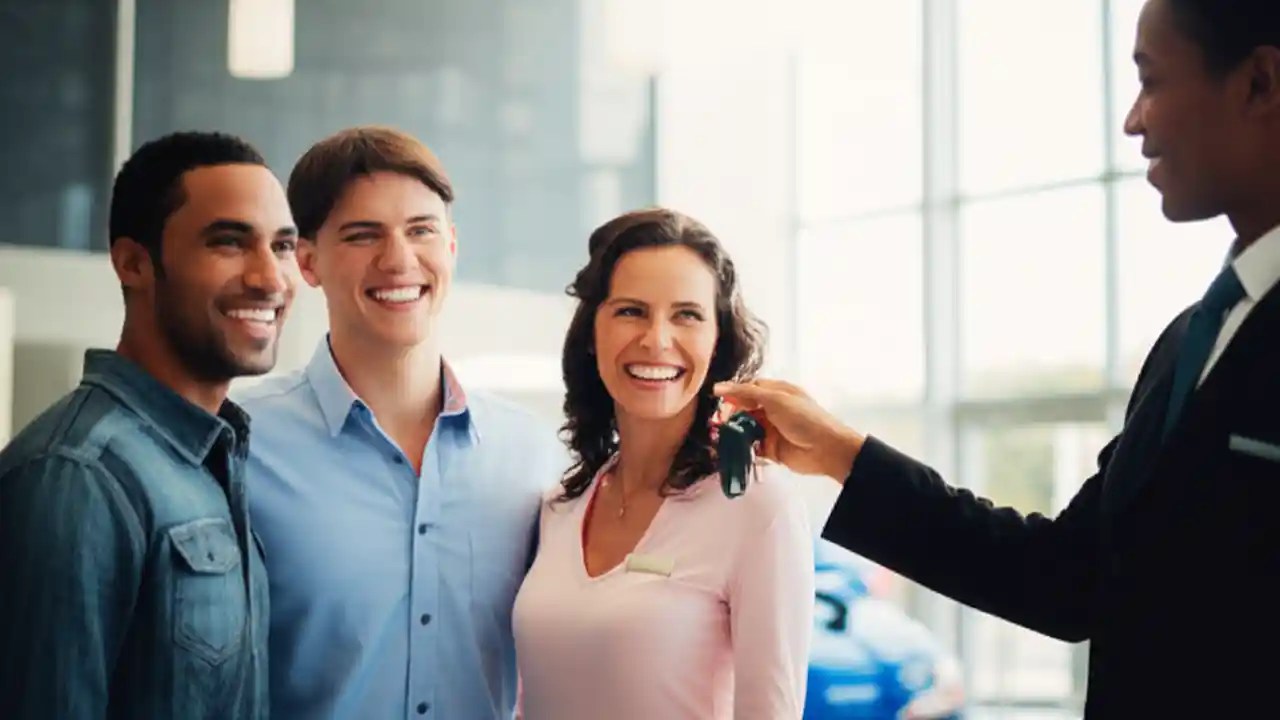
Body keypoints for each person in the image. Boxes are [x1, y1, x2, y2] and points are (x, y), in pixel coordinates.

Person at [713, 0, 1280, 717]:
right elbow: (1067, 577)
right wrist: (839, 452)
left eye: (1152, 81)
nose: (1135, 121)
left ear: (1259, 83)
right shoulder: (1190, 341)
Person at [234, 126, 565, 720]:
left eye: (421, 231)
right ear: (307, 262)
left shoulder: (533, 458)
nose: (398, 260)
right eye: (364, 236)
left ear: (453, 246)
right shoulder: (240, 446)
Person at [0, 131, 296, 719]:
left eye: (282, 246)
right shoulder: (76, 477)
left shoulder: (213, 458)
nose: (270, 278)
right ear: (134, 262)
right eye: (230, 243)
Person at [512, 208, 815, 720]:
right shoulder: (560, 506)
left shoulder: (756, 502)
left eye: (687, 315)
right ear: (593, 333)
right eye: (631, 311)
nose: (656, 339)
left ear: (717, 339)